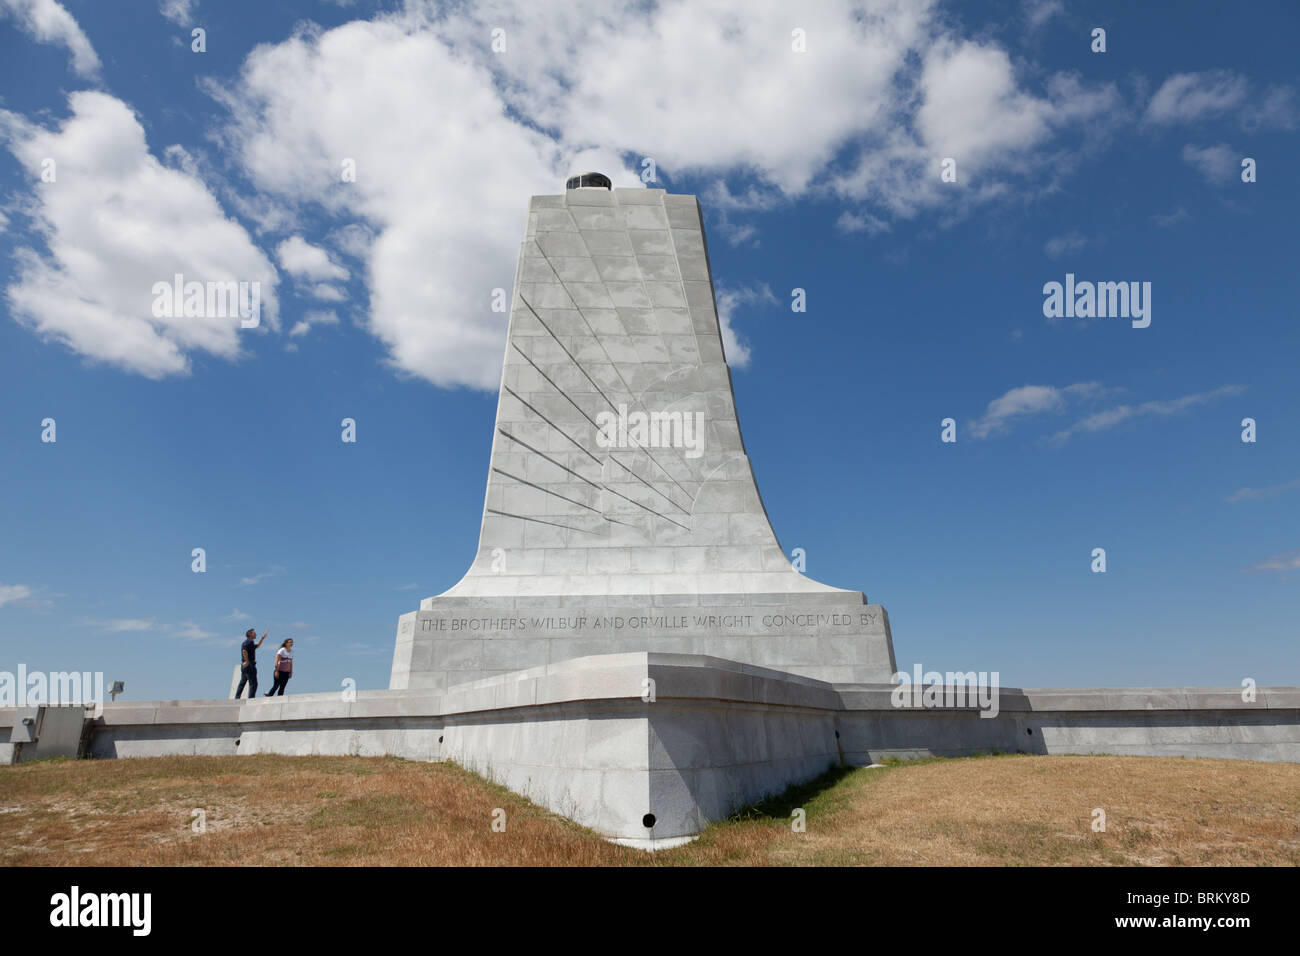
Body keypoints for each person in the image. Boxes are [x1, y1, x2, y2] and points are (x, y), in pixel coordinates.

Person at [235, 628, 267, 699]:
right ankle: (251, 699)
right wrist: (247, 661)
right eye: (254, 633)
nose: (256, 634)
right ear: (250, 635)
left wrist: (262, 638)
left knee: (242, 682)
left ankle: (237, 698)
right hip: (249, 665)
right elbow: (244, 651)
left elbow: (258, 646)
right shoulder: (249, 642)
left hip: (245, 665)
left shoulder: (250, 643)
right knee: (253, 684)